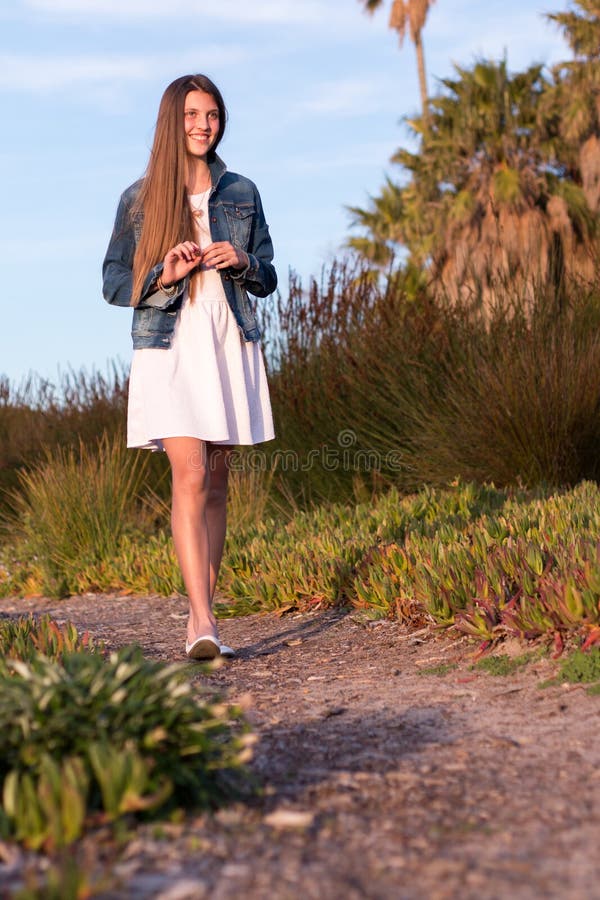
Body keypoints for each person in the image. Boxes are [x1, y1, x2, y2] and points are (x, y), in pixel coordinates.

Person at [102, 74, 276, 661]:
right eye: (193, 115)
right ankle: (200, 619)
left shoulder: (243, 191)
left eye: (213, 115)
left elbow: (269, 275)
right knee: (192, 474)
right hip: (168, 344)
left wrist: (243, 259)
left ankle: (208, 605)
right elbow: (113, 283)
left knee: (219, 484)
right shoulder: (141, 198)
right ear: (172, 122)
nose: (204, 125)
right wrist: (164, 275)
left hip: (228, 339)